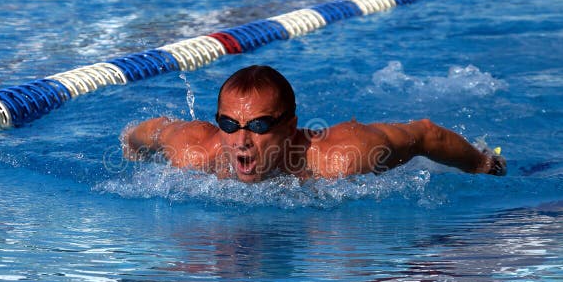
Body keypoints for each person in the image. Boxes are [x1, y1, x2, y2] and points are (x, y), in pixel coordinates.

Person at [123, 65, 506, 183]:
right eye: (228, 124)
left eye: (257, 126)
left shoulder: (342, 159)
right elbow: (145, 132)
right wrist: (132, 151)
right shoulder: (194, 153)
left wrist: (481, 164)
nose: (240, 141)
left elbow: (426, 134)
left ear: (290, 127)